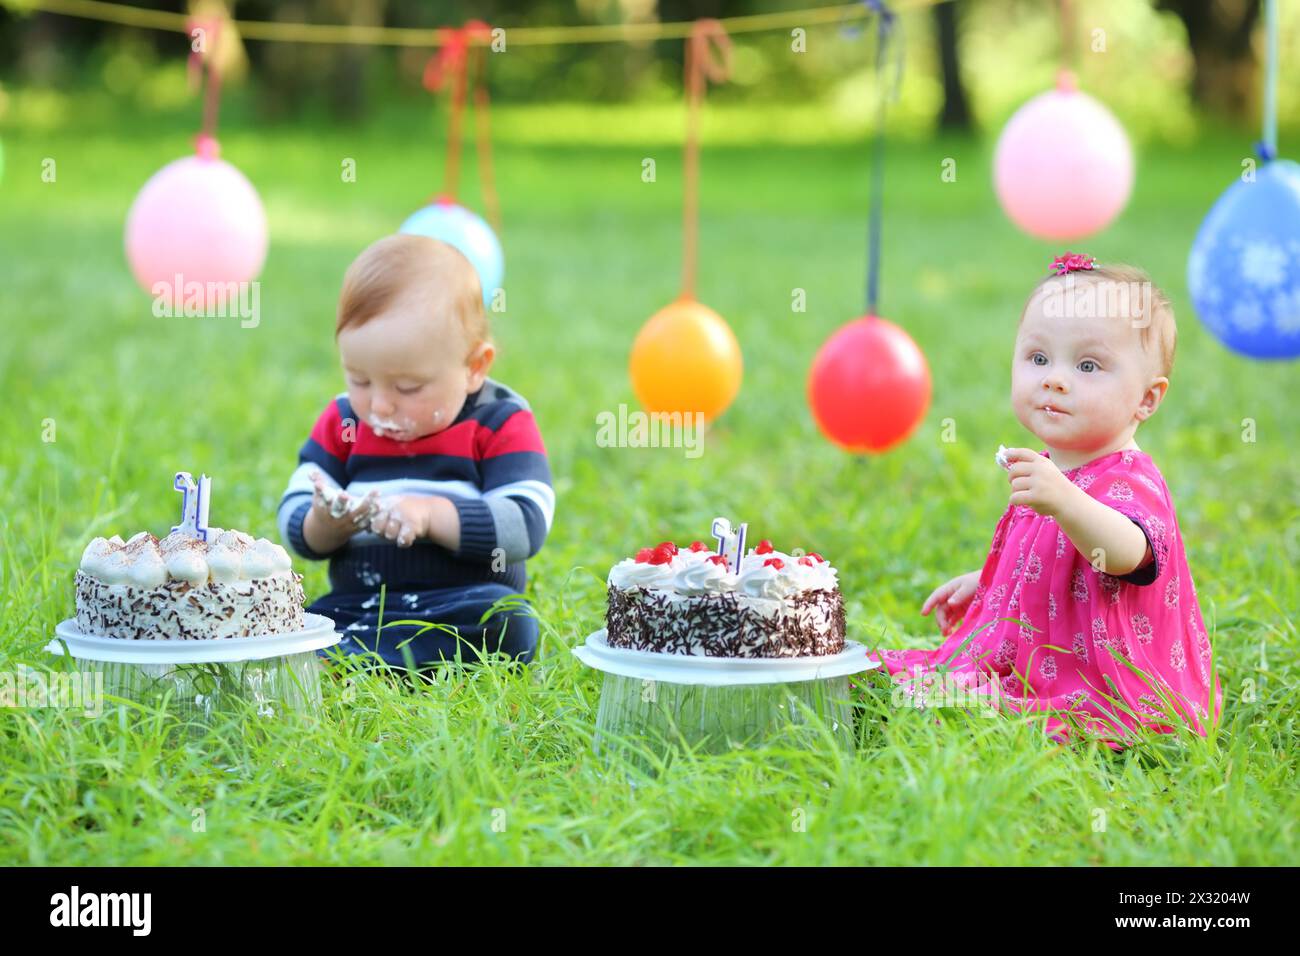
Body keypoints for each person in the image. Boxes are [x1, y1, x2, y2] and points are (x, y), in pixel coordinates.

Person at [870, 253, 1222, 750]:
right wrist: (991, 584)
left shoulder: (1131, 479)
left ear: (1147, 399)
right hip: (1050, 653)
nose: (1055, 379)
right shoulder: (1052, 466)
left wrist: (1065, 500)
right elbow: (1052, 555)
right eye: (1039, 359)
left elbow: (1128, 555)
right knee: (902, 685)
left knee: (963, 711)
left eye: (1087, 365)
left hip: (1108, 683)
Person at [277, 234, 553, 669]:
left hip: (462, 603)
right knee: (294, 624)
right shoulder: (345, 422)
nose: (380, 404)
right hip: (361, 604)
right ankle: (364, 657)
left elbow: (526, 522)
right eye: (360, 380)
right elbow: (295, 511)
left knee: (510, 622)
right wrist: (325, 523)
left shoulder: (498, 419)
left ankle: (361, 663)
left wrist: (430, 515)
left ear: (474, 367)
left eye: (408, 387)